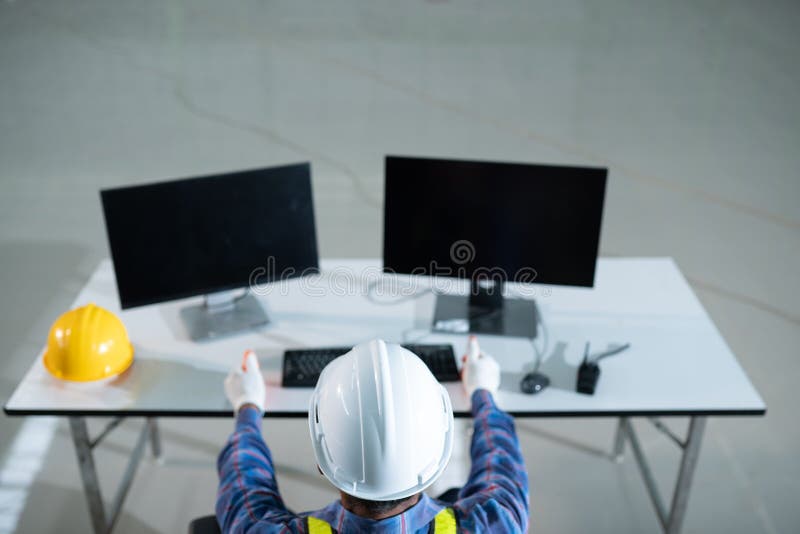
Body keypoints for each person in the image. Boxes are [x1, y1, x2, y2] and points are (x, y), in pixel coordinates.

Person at [216, 338, 529, 533]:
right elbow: (500, 462)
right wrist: (482, 392)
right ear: (439, 458)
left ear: (322, 464)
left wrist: (247, 405)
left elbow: (245, 490)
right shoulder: (496, 523)